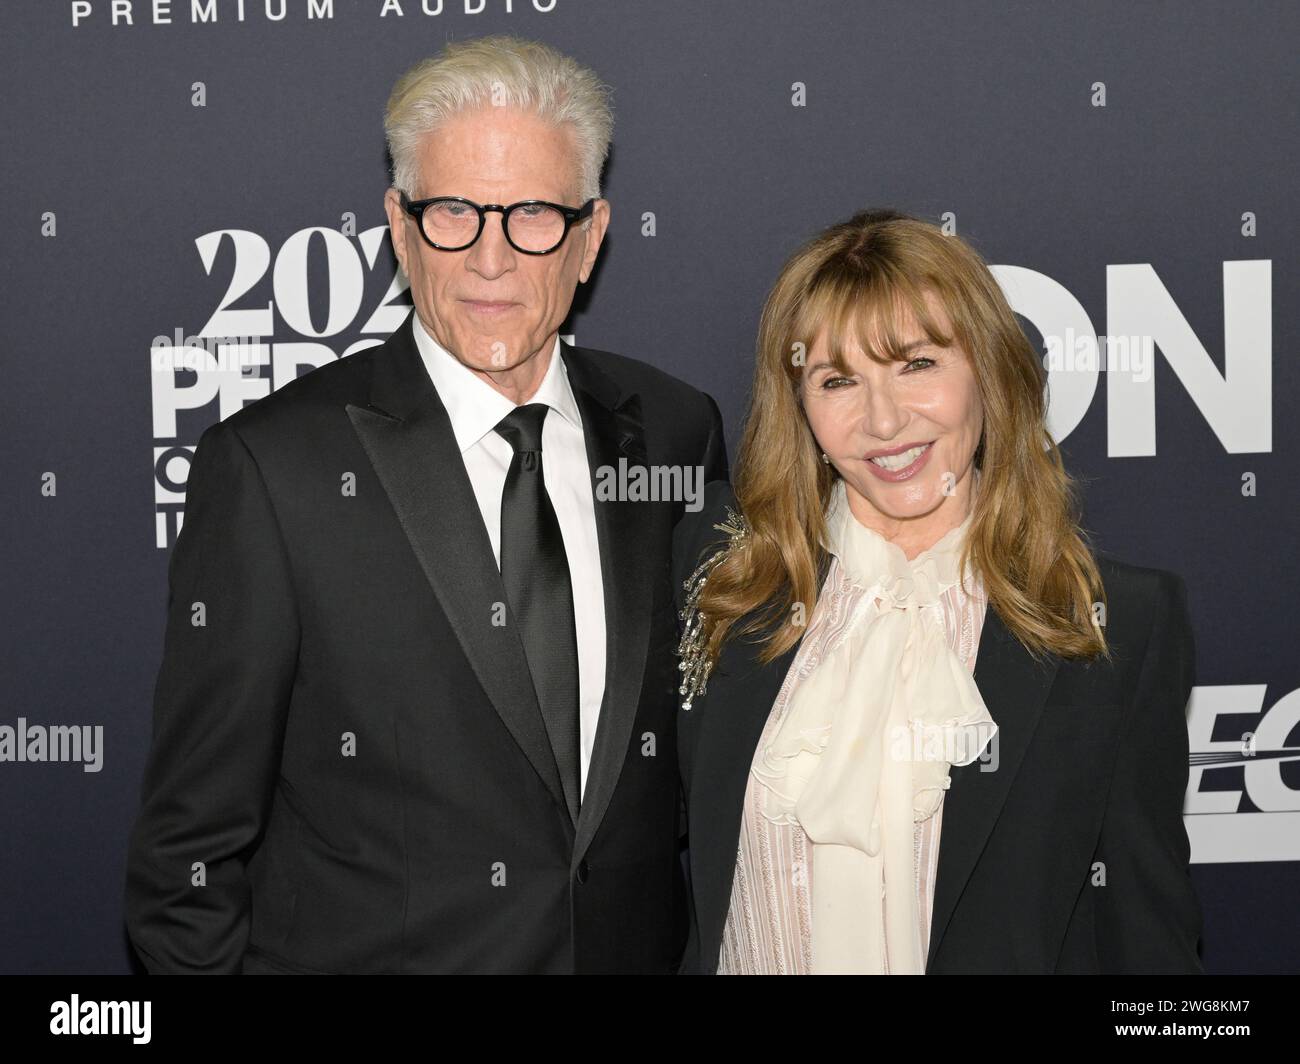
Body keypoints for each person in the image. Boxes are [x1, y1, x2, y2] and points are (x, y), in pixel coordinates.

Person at [124, 35, 726, 974]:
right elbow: (187, 864)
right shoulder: (274, 469)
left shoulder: (678, 432)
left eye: (532, 213)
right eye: (453, 212)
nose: (490, 258)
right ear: (400, 230)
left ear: (591, 236)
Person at [672, 209, 1202, 974]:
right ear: (801, 407)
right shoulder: (725, 583)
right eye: (838, 380)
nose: (883, 421)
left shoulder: (1115, 626)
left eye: (917, 365)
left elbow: (1148, 942)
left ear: (988, 372)